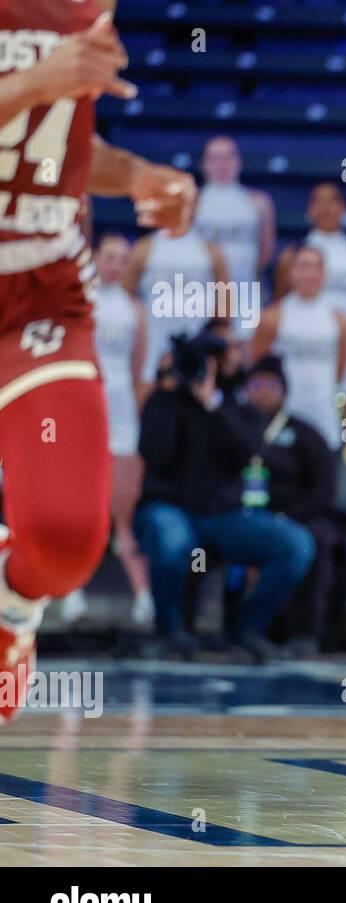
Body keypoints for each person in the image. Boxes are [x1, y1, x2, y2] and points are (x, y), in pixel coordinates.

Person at [0, 3, 197, 722]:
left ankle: (12, 607)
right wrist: (32, 82)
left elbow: (52, 150)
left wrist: (141, 176)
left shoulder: (86, 11)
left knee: (64, 544)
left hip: (39, 286)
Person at [134, 330, 316, 661]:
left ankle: (244, 630)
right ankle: (170, 632)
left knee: (296, 544)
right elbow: (154, 452)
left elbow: (248, 452)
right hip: (169, 507)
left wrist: (212, 405)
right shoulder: (164, 400)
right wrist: (171, 392)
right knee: (172, 537)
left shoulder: (237, 405)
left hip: (225, 516)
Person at [61, 234, 155, 629]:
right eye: (111, 257)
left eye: (124, 259)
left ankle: (144, 601)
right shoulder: (76, 300)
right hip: (79, 409)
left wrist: (129, 412)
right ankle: (70, 594)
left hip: (120, 416)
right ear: (95, 258)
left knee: (122, 514)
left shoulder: (136, 311)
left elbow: (139, 374)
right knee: (77, 507)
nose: (117, 265)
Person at [244, 355, 339, 655]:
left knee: (316, 540)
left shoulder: (305, 434)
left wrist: (289, 516)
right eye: (255, 384)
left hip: (296, 515)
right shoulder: (233, 427)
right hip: (241, 515)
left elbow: (324, 489)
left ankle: (304, 632)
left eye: (269, 385)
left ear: (283, 391)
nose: (262, 392)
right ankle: (231, 629)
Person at [277, 183, 346, 430]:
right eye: (318, 201)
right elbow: (282, 304)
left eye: (333, 200)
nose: (326, 207)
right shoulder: (291, 256)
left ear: (344, 208)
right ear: (309, 209)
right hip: (307, 347)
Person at [251, 245, 346, 451]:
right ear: (291, 272)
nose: (309, 274)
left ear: (324, 273)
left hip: (324, 415)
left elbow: (340, 372)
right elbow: (258, 369)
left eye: (316, 267)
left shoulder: (339, 321)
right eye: (303, 266)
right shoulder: (272, 318)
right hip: (284, 415)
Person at [121, 224, 229, 387]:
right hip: (152, 350)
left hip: (198, 351)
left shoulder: (211, 251)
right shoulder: (144, 249)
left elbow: (224, 310)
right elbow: (124, 299)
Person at [192, 135, 276, 338]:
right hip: (200, 292)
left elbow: (265, 250)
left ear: (238, 162)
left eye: (228, 157)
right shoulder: (192, 202)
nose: (223, 164)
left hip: (245, 290)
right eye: (215, 158)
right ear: (204, 164)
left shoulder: (258, 202)